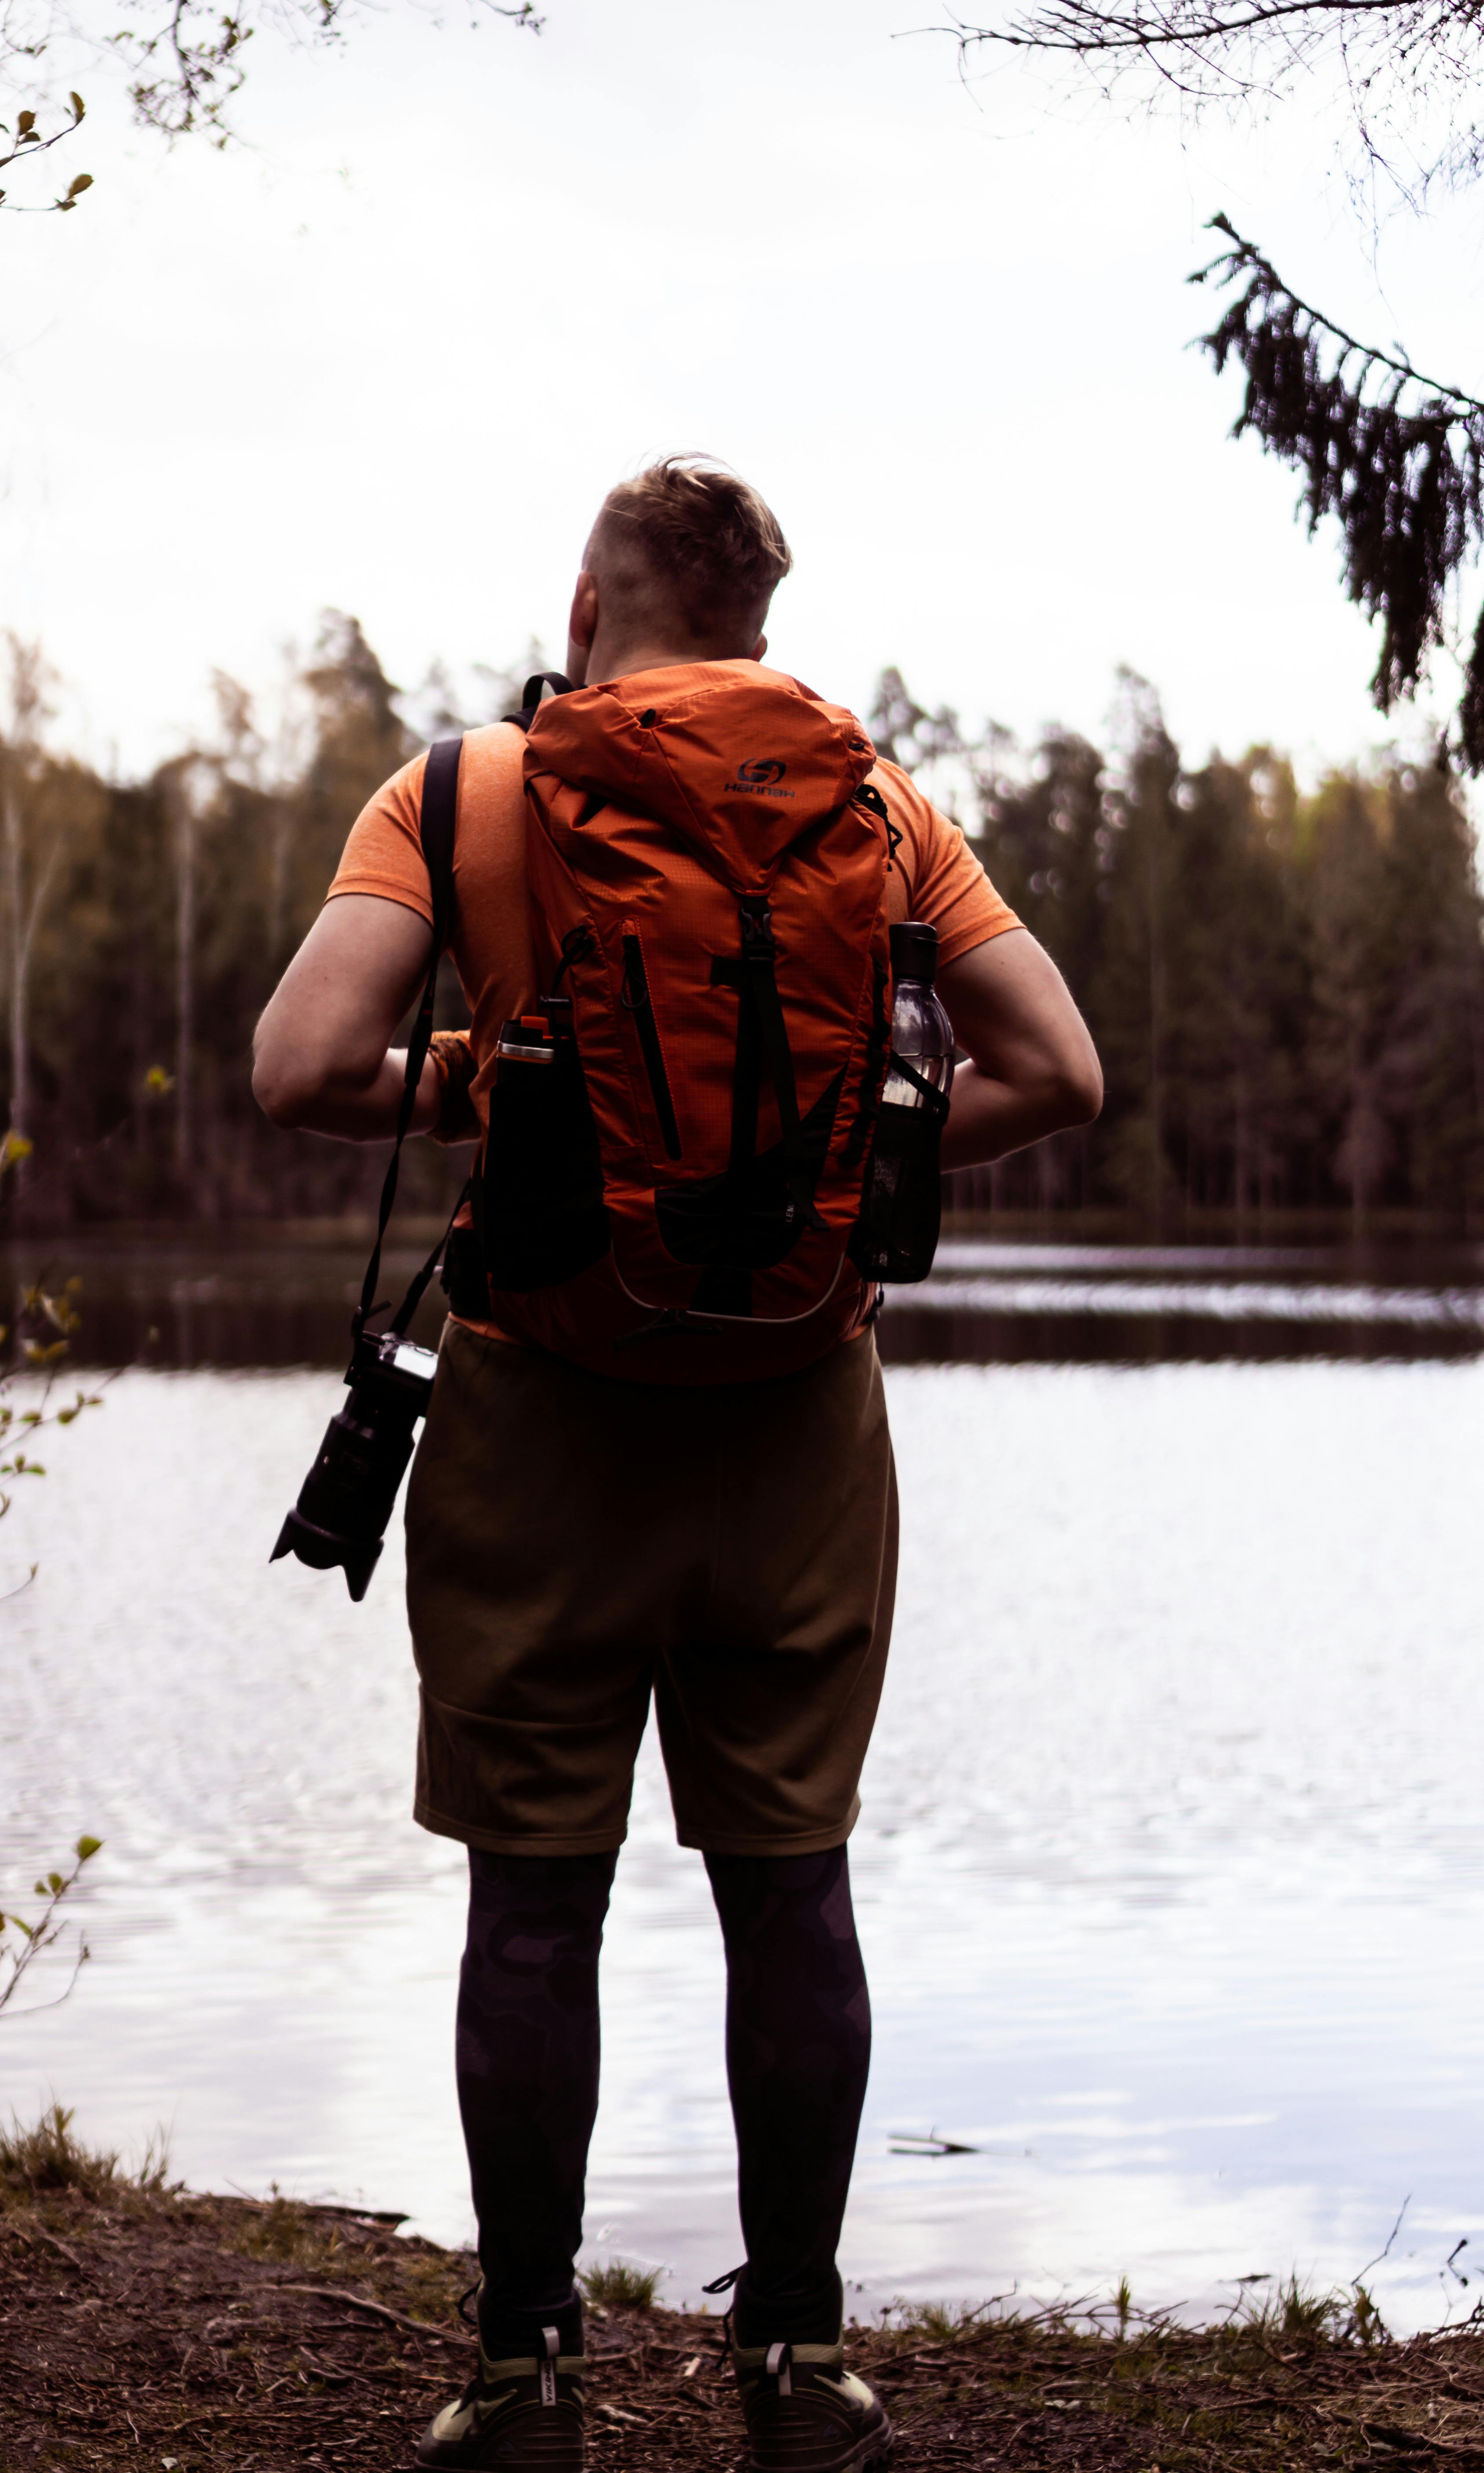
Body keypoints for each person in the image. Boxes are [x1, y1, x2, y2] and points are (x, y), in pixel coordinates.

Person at [251, 458, 1102, 2473]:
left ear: (587, 601)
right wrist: (847, 1161)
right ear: (757, 618)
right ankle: (800, 2371)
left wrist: (488, 1083)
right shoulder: (876, 805)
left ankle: (526, 2370)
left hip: (542, 1402)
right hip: (800, 1421)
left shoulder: (464, 795)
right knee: (787, 1888)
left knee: (536, 1908)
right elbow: (1062, 1071)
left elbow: (299, 1071)